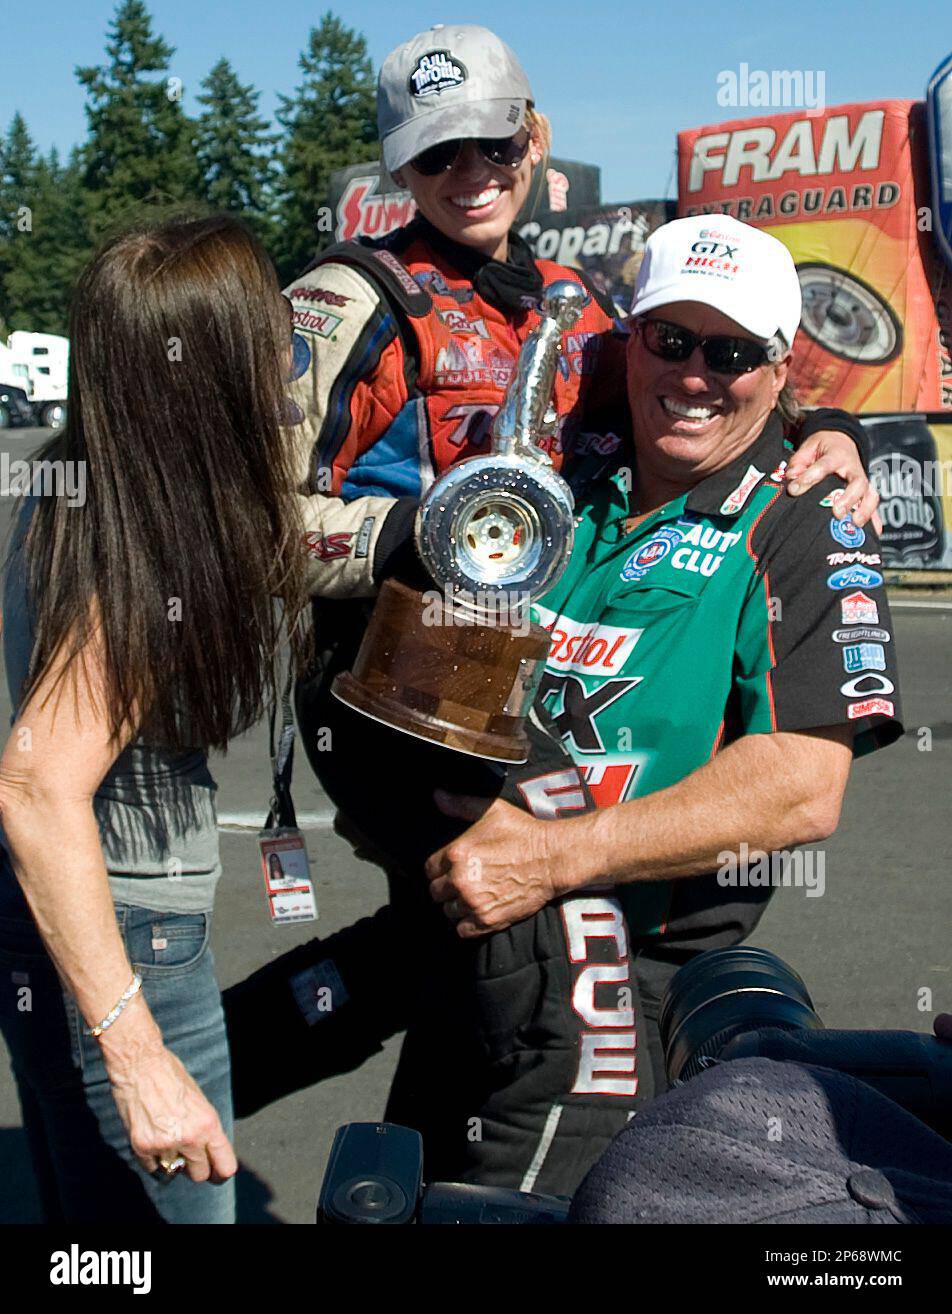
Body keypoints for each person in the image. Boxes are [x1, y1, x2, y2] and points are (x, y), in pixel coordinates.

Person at [225, 26, 877, 1192]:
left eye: (492, 142)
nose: (470, 172)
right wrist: (412, 539)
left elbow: (695, 420)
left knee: (466, 951)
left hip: (561, 808)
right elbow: (239, 524)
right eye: (436, 156)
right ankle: (180, 1069)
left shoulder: (582, 312)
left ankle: (189, 1065)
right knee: (511, 939)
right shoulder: (344, 297)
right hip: (395, 688)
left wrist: (828, 437)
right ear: (396, 167)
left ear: (535, 139)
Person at [423, 215, 904, 1101]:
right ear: (630, 344)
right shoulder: (564, 475)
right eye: (671, 339)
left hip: (623, 984)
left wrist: (555, 857)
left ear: (779, 366)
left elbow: (801, 789)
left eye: (731, 355)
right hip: (476, 931)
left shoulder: (808, 514)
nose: (693, 375)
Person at [0, 216, 309, 1224]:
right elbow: (39, 782)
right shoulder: (159, 550)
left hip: (53, 925)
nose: (287, 354)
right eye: (273, 332)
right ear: (219, 365)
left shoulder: (82, 480)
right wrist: (138, 1058)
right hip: (126, 937)